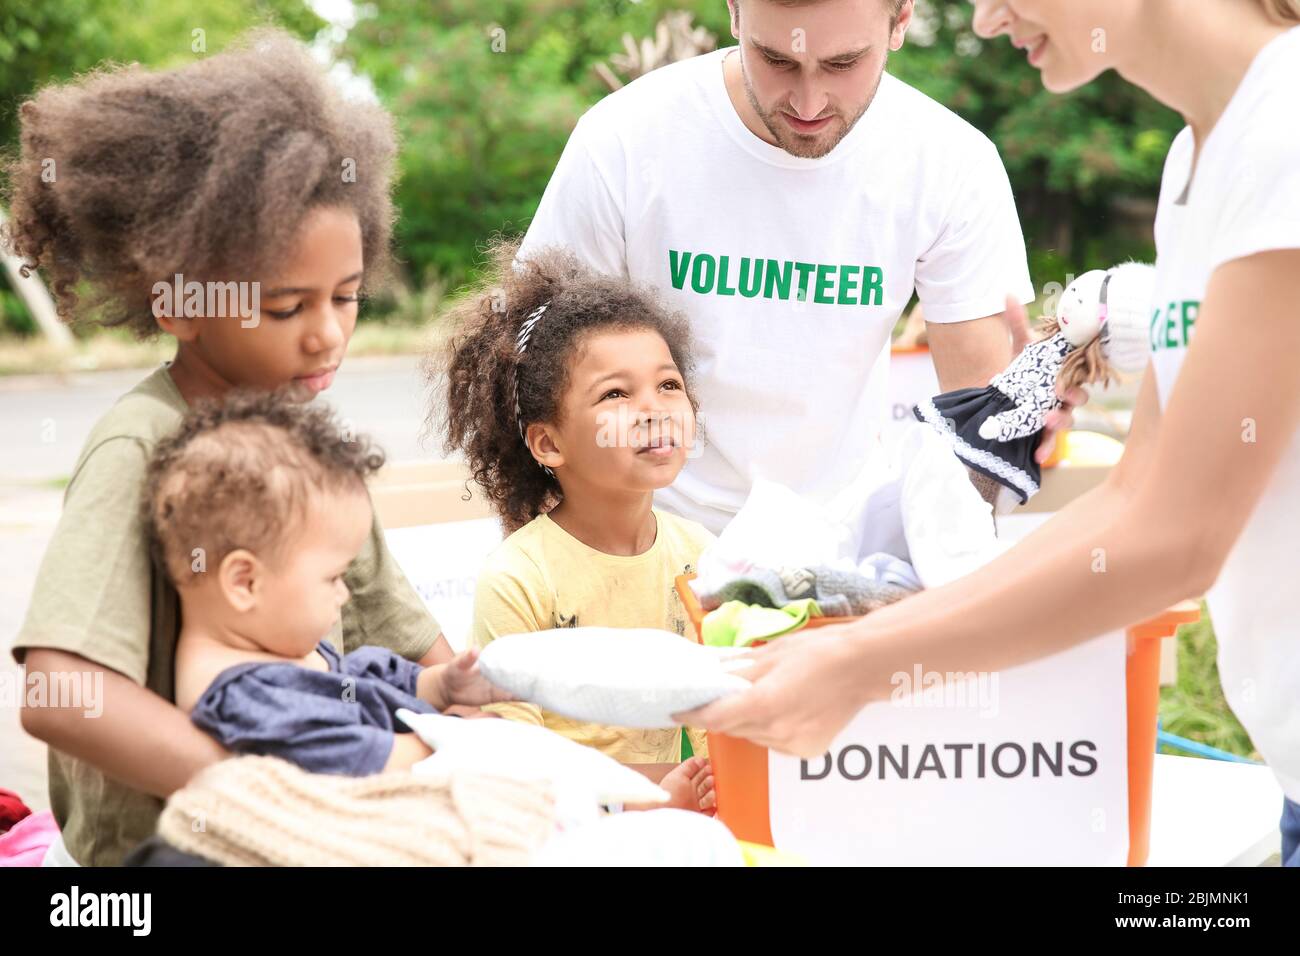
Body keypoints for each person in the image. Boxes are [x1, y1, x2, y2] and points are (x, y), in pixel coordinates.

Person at [679, 0, 1300, 868]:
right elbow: (1136, 499)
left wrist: (861, 665)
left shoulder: (1285, 128)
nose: (983, 17)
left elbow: (1178, 541)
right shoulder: (1201, 155)